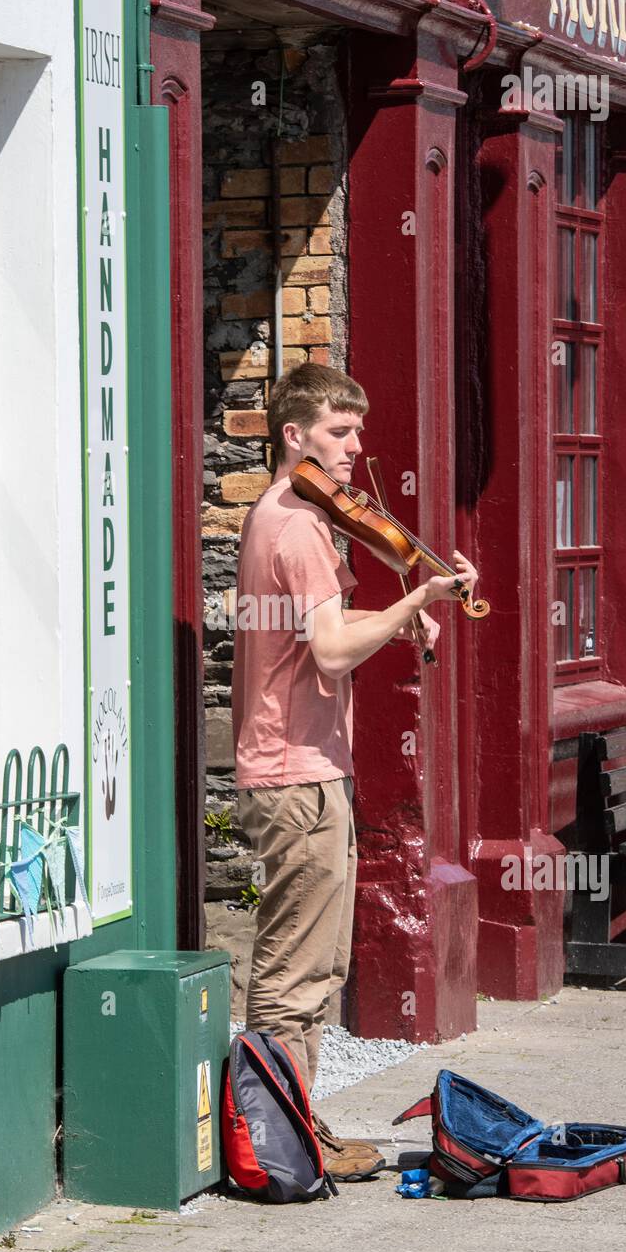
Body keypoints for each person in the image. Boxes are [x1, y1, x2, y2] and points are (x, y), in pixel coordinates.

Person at [231, 363, 479, 1182]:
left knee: (316, 969)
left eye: (356, 431)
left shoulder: (283, 513)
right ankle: (274, 1144)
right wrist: (417, 602)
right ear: (293, 434)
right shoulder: (300, 527)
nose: (354, 447)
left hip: (302, 768)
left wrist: (398, 621)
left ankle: (299, 1127)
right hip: (295, 773)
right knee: (293, 976)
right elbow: (333, 651)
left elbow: (322, 630)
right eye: (338, 432)